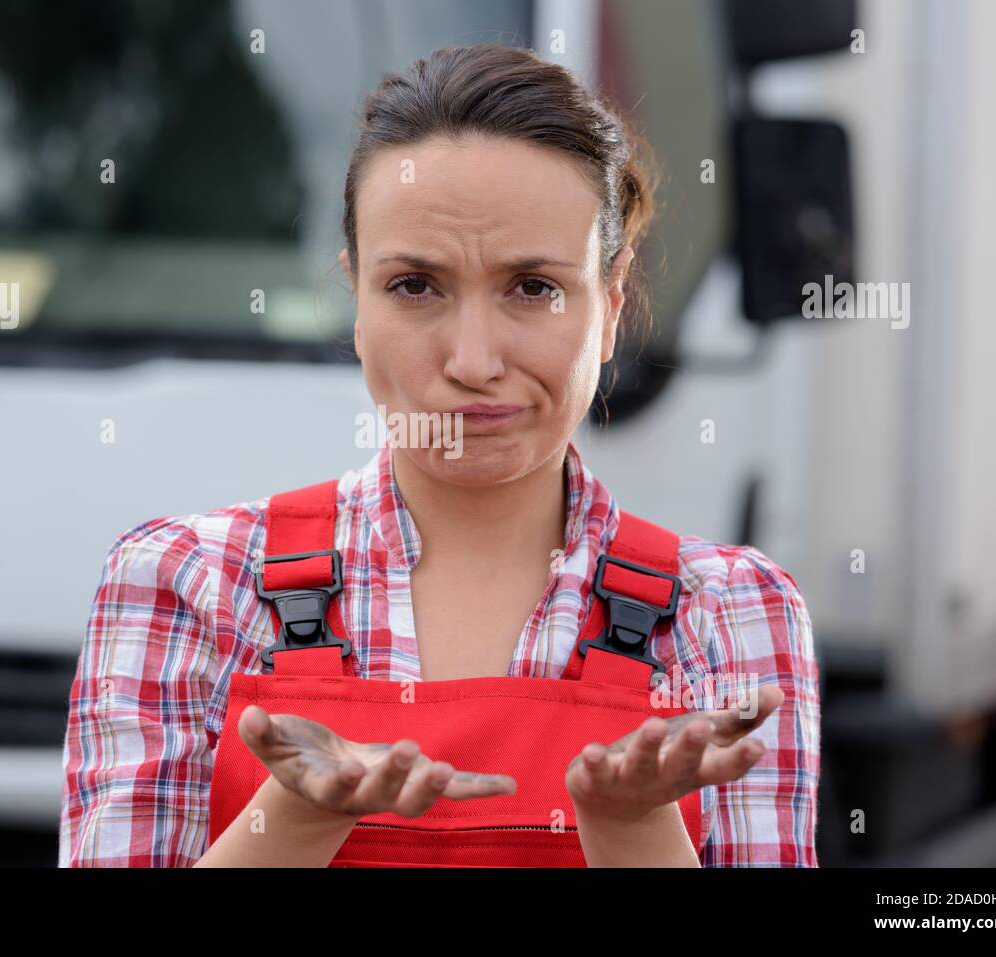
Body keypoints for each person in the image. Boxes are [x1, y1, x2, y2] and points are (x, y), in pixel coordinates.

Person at [59, 42, 820, 868]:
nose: (472, 360)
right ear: (356, 299)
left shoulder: (732, 617)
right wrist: (297, 816)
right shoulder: (185, 586)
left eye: (534, 287)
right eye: (415, 286)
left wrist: (633, 829)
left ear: (612, 303)